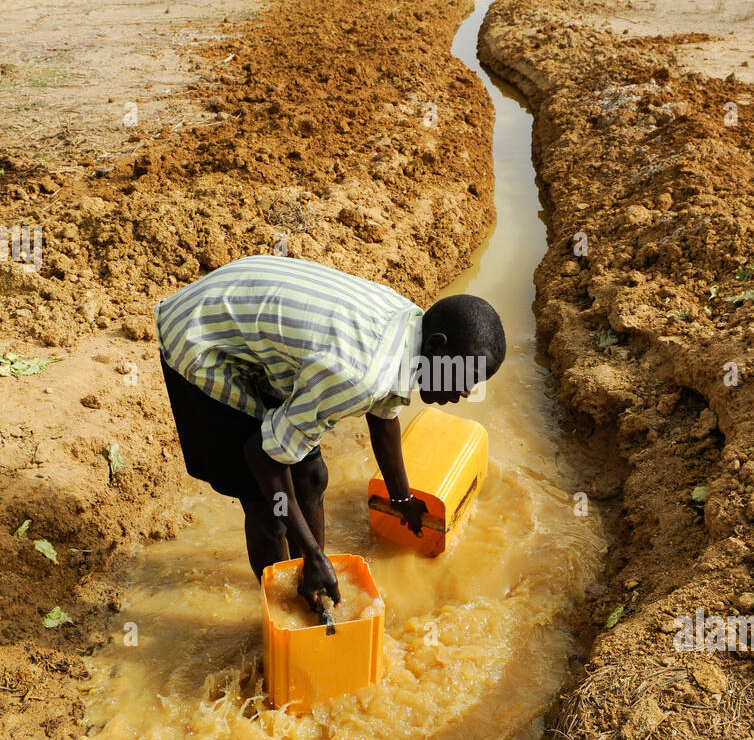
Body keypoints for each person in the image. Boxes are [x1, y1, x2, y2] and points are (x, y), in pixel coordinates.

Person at [155, 254, 506, 609]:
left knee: (311, 477)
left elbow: (383, 419)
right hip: (200, 337)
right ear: (436, 347)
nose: (468, 392)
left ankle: (311, 580)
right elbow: (263, 455)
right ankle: (283, 605)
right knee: (265, 505)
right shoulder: (358, 377)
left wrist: (402, 500)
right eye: (469, 376)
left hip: (250, 316)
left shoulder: (410, 329)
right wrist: (314, 554)